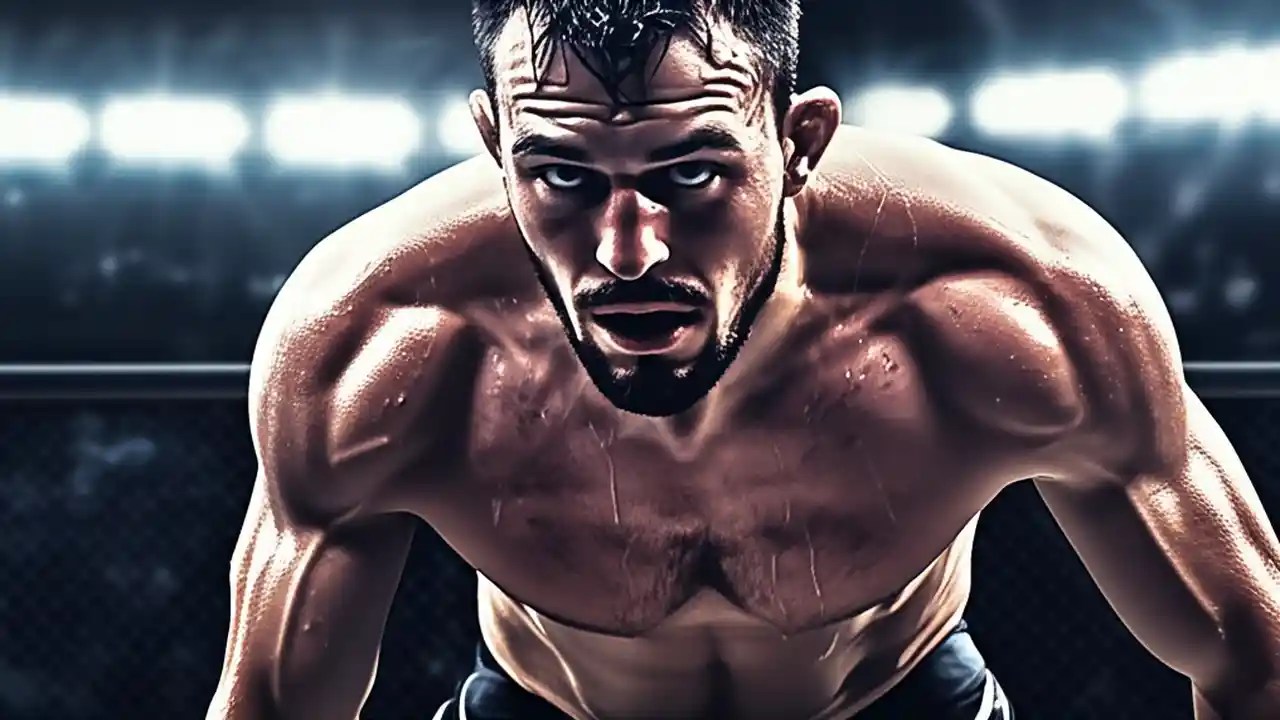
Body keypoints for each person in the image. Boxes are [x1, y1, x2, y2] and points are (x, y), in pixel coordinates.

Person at [205, 1, 1280, 718]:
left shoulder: (1019, 302)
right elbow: (271, 707)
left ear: (798, 142)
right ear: (495, 146)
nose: (627, 254)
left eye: (689, 175)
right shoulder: (379, 339)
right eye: (563, 177)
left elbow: (1254, 657)